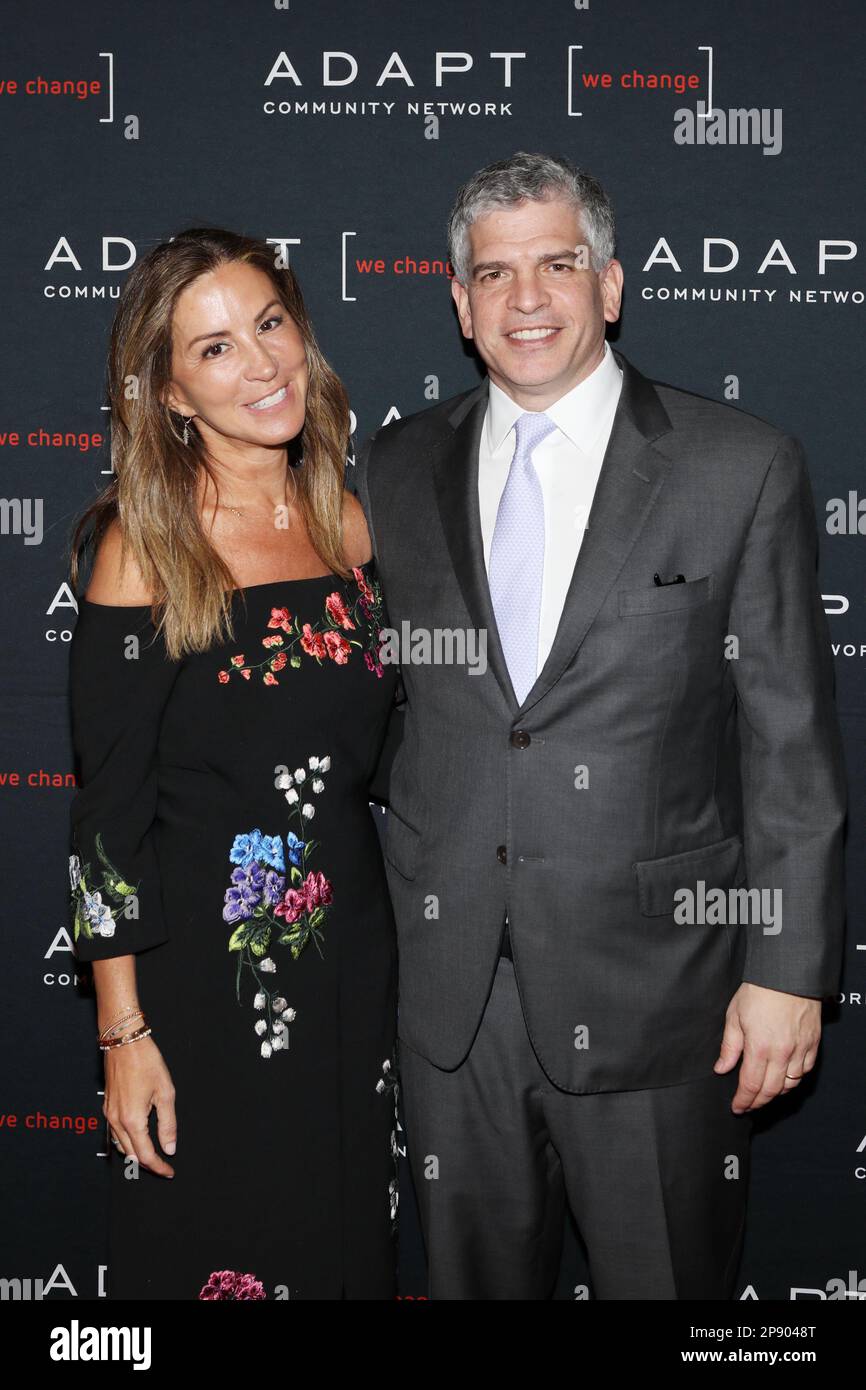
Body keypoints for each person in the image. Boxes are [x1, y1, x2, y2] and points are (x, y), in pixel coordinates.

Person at [348, 152, 848, 1299]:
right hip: (451, 1003)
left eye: (557, 265)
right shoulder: (391, 466)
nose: (528, 298)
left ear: (610, 285)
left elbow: (787, 745)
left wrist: (786, 970)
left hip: (660, 1000)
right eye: (496, 273)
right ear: (459, 301)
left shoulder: (737, 466)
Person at [68, 227, 400, 1300]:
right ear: (169, 394)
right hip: (205, 992)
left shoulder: (346, 524)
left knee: (343, 1246)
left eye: (267, 324)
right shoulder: (142, 549)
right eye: (213, 349)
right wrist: (124, 1032)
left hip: (353, 970)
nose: (259, 364)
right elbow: (105, 823)